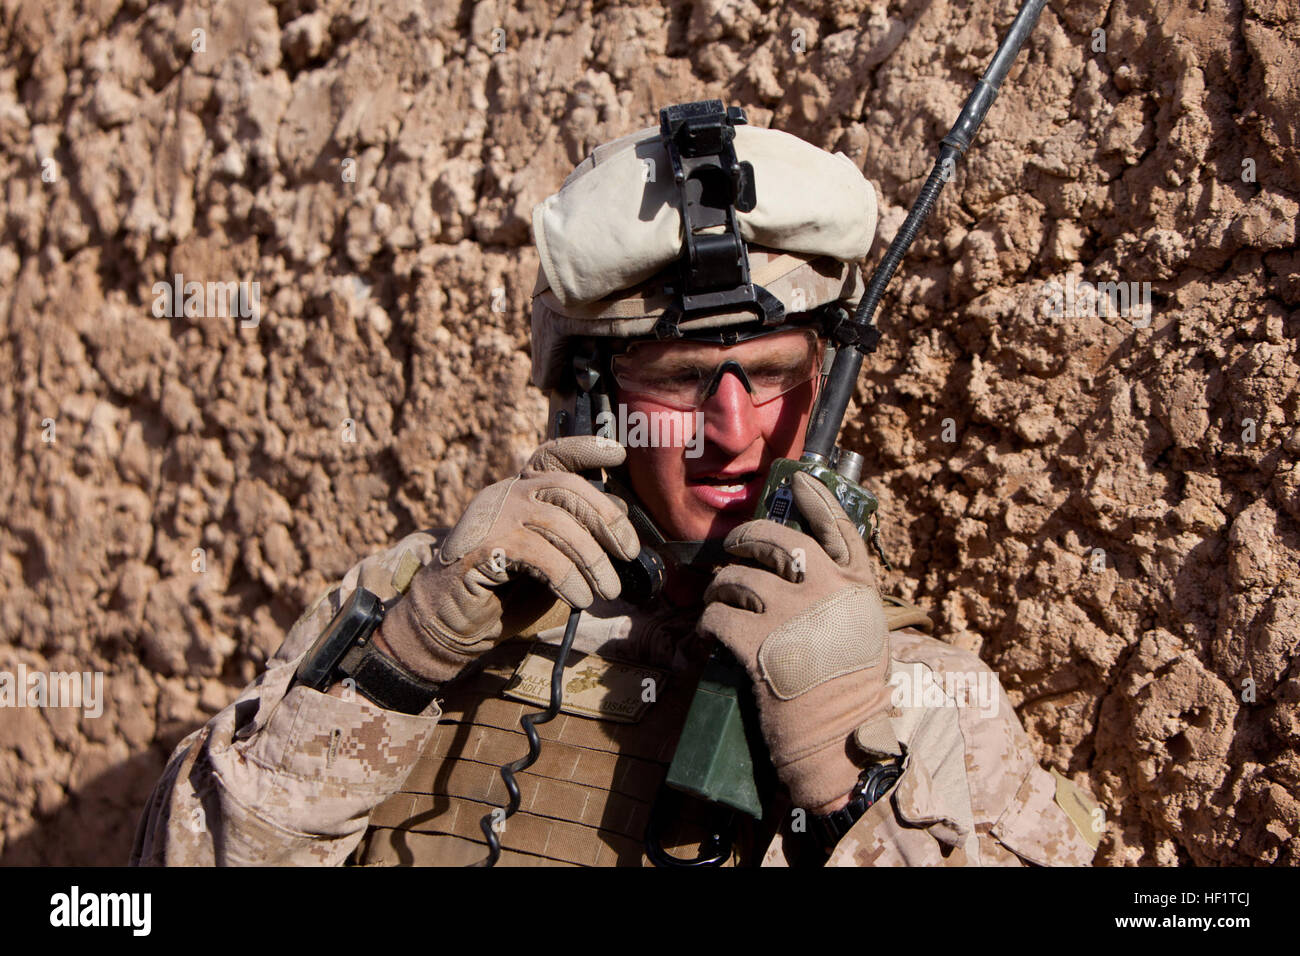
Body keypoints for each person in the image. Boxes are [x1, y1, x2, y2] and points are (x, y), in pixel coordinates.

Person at [132, 102, 1101, 867]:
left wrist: (847, 783)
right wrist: (400, 664)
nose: (732, 432)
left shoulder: (921, 694)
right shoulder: (404, 614)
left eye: (769, 375)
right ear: (590, 407)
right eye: (681, 380)